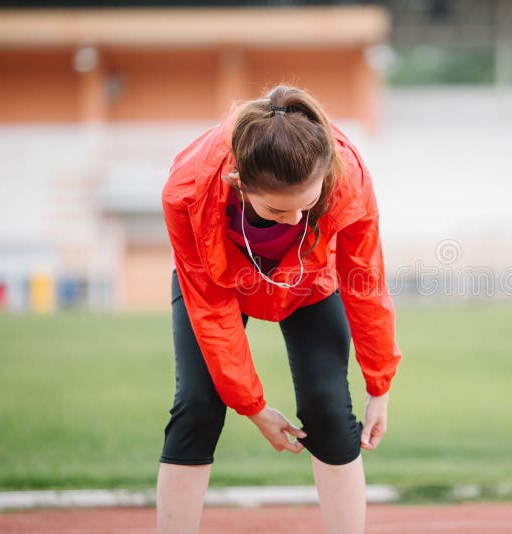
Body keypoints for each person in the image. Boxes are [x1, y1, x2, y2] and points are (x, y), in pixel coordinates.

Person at [156, 84, 402, 534]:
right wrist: (253, 406)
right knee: (196, 406)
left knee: (328, 409)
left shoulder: (348, 177)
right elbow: (211, 310)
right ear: (239, 183)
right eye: (275, 211)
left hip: (311, 282)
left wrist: (379, 383)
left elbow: (363, 280)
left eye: (307, 207)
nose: (293, 221)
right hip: (217, 283)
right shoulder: (188, 190)